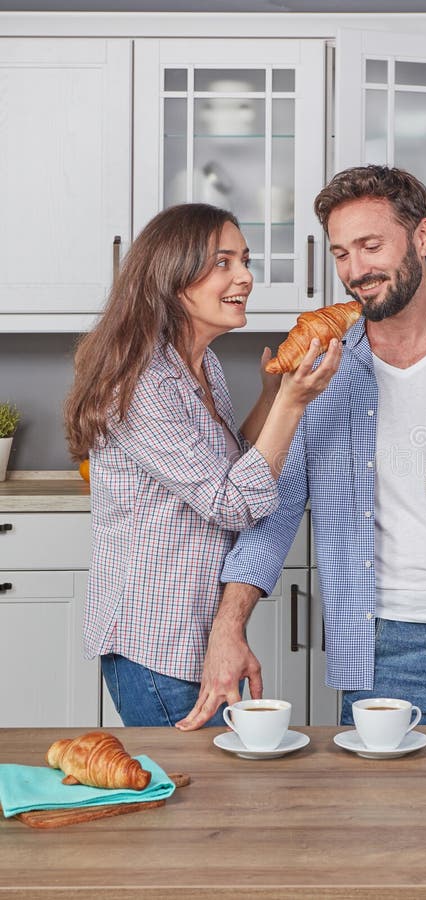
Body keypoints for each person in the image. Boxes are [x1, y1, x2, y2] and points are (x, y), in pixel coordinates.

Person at [179, 166, 426, 734]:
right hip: (376, 648)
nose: (355, 271)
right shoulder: (321, 365)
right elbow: (275, 506)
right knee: (381, 823)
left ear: (422, 237)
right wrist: (228, 625)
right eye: (341, 253)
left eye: (370, 246)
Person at [64, 202, 341, 727]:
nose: (245, 277)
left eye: (245, 260)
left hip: (197, 634)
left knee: (206, 798)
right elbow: (233, 504)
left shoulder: (199, 362)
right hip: (157, 643)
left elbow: (226, 468)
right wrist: (292, 405)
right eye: (223, 262)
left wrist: (270, 397)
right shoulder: (140, 381)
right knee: (197, 800)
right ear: (171, 278)